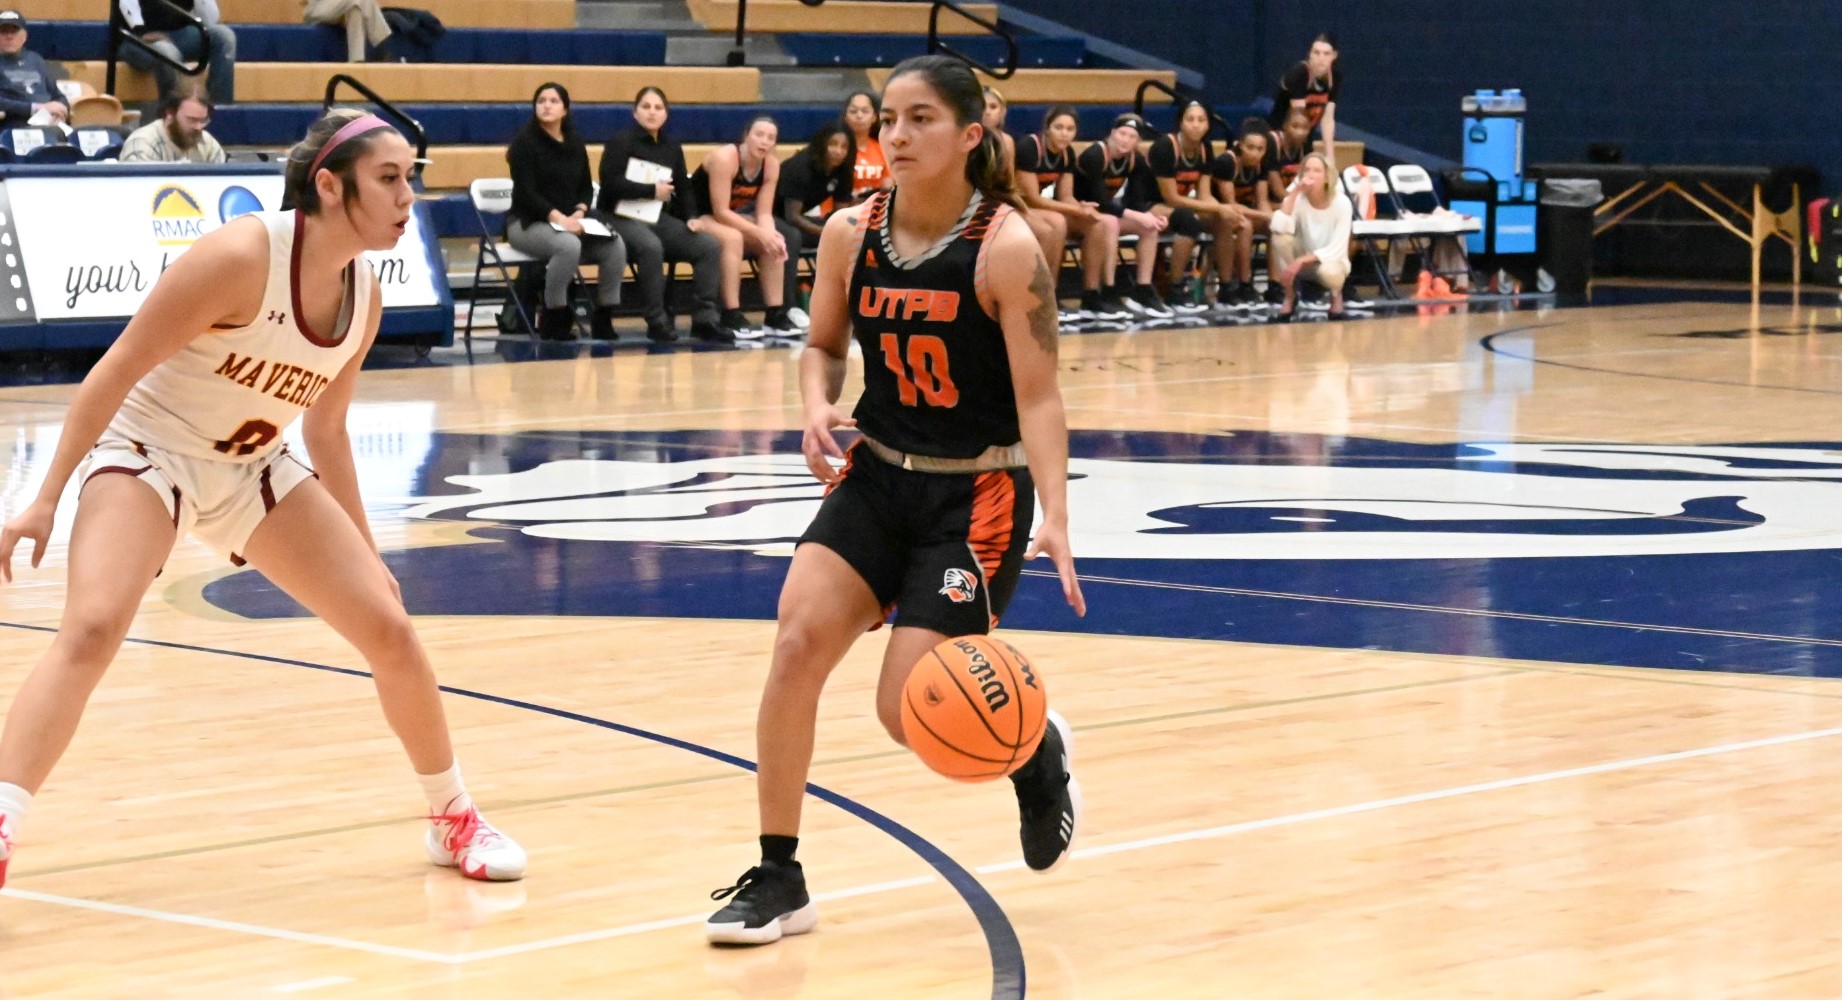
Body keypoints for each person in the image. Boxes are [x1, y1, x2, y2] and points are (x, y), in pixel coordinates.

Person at [0, 109, 526, 890]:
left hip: (252, 467)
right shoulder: (242, 255)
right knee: (94, 624)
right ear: (328, 183)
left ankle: (453, 816)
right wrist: (45, 498)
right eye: (389, 178)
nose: (408, 197)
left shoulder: (366, 293)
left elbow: (330, 430)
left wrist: (368, 552)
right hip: (151, 451)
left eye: (410, 178)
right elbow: (113, 371)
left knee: (390, 628)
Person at [702, 54, 1086, 947]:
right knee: (796, 643)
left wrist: (1056, 513)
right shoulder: (849, 232)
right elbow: (823, 347)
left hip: (976, 495)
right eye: (890, 120)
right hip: (877, 474)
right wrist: (813, 405)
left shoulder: (1007, 247)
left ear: (969, 136)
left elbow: (1040, 397)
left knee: (905, 709)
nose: (898, 136)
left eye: (920, 119)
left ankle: (1032, 749)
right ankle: (779, 874)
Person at [596, 86, 729, 344]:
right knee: (651, 247)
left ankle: (705, 318)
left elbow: (684, 185)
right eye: (646, 107)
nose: (652, 112)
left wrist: (691, 215)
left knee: (708, 246)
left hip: (655, 216)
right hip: (617, 214)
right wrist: (650, 190)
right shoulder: (620, 142)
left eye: (658, 107)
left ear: (666, 114)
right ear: (635, 113)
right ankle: (657, 320)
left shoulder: (671, 146)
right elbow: (610, 184)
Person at [504, 82, 627, 341]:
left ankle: (603, 315)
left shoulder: (575, 143)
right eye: (541, 101)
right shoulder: (523, 144)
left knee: (615, 246)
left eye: (553, 101)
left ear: (565, 110)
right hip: (527, 224)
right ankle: (554, 316)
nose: (546, 105)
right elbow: (527, 194)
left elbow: (585, 186)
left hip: (570, 221)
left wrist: (580, 213)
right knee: (568, 246)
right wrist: (560, 219)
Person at [691, 115, 805, 339]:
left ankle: (775, 313)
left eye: (770, 138)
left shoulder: (771, 165)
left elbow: (763, 212)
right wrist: (760, 233)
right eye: (759, 135)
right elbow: (720, 211)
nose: (764, 141)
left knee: (775, 240)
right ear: (747, 136)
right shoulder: (726, 158)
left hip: (732, 216)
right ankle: (731, 313)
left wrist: (769, 236)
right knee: (733, 238)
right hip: (698, 215)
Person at [1015, 105, 1130, 321]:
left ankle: (1091, 295)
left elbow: (1066, 196)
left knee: (1100, 223)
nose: (1064, 133)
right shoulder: (1030, 147)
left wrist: (1083, 208)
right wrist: (1075, 209)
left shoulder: (1067, 153)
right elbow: (1031, 198)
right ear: (1047, 128)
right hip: (1017, 207)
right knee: (1058, 223)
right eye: (1059, 127)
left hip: (1043, 208)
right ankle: (1046, 295)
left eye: (1070, 129)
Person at [1073, 113, 1172, 318]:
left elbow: (1136, 200)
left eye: (1132, 136)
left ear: (1138, 141)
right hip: (1079, 213)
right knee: (1110, 222)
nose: (1125, 140)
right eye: (1122, 133)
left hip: (1102, 215)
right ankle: (1108, 290)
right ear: (1112, 133)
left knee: (1149, 226)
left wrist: (1149, 217)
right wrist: (1139, 216)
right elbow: (1101, 201)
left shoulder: (1135, 160)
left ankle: (1143, 289)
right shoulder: (1096, 154)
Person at [1148, 101, 1243, 311]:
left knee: (1224, 220)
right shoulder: (1166, 146)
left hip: (1178, 205)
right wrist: (1218, 208)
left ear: (1208, 125)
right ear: (1180, 123)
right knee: (1188, 220)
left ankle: (1226, 288)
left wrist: (1226, 210)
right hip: (1149, 204)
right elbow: (1171, 198)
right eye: (1190, 119)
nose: (1196, 125)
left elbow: (1204, 195)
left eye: (1201, 120)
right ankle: (1175, 289)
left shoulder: (1206, 149)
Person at [982, 86, 1066, 287]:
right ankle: (1030, 293)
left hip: (1001, 201)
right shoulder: (967, 138)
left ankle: (1050, 291)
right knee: (1044, 231)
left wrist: (1018, 207)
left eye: (993, 106)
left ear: (1002, 112)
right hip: (978, 203)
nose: (987, 111)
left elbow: (1009, 183)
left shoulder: (1008, 141)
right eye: (983, 106)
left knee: (1058, 222)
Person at [1269, 152, 1352, 320]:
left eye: (1316, 170)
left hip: (1329, 260)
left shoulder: (1342, 203)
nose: (1310, 175)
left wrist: (1302, 260)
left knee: (1331, 273)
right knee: (1279, 239)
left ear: (1327, 177)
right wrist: (1293, 194)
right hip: (1302, 255)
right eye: (1306, 170)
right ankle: (1290, 296)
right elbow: (1277, 226)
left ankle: (1336, 298)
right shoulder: (1298, 199)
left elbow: (1338, 247)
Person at [1206, 119, 1275, 308]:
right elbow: (1232, 205)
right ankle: (1240, 285)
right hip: (1217, 214)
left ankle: (1275, 286)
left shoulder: (1262, 165)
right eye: (1250, 147)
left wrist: (1272, 218)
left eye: (1260, 149)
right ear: (1240, 145)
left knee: (1276, 227)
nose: (1255, 153)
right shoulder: (1227, 162)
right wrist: (1267, 216)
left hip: (1245, 213)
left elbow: (1262, 200)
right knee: (1246, 226)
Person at [118, 0, 236, 106]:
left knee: (224, 37)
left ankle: (219, 113)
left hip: (180, 35)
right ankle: (174, 118)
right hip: (135, 38)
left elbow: (211, 19)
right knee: (168, 53)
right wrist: (141, 32)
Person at [1268, 33, 1340, 168]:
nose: (1321, 58)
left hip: (1305, 135)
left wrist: (1330, 158)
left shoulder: (1334, 77)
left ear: (1334, 56)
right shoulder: (1300, 73)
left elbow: (1328, 119)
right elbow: (1297, 120)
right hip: (1280, 134)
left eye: (1326, 54)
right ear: (1310, 54)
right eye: (1316, 53)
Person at [776, 119, 854, 243]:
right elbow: (792, 216)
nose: (839, 151)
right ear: (822, 143)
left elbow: (841, 213)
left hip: (798, 219)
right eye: (833, 144)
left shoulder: (843, 169)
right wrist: (820, 231)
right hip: (771, 216)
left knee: (850, 234)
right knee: (793, 236)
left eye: (844, 147)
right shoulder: (801, 166)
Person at [119, 84, 224, 163]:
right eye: (191, 120)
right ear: (170, 114)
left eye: (202, 121)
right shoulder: (143, 143)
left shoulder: (208, 144)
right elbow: (140, 189)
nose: (198, 127)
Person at [0, 10, 65, 128]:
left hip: (50, 123)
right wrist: (35, 108)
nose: (9, 36)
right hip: (15, 124)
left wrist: (61, 108)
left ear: (24, 36)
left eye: (14, 31)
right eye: (4, 31)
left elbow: (58, 95)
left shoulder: (36, 60)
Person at [302, 0, 389, 62]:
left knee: (355, 11)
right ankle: (382, 48)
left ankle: (357, 62)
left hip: (340, 7)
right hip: (316, 9)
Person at [841, 90, 889, 201]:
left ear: (874, 117)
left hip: (875, 209)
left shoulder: (883, 148)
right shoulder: (837, 149)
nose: (859, 115)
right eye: (853, 111)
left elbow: (888, 184)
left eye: (865, 111)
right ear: (845, 117)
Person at [1269, 107, 1312, 199]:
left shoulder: (1305, 145)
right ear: (1285, 126)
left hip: (1291, 197)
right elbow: (1278, 192)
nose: (1300, 132)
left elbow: (1324, 181)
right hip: (1270, 198)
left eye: (1305, 128)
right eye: (1295, 126)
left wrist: (1326, 191)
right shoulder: (1273, 142)